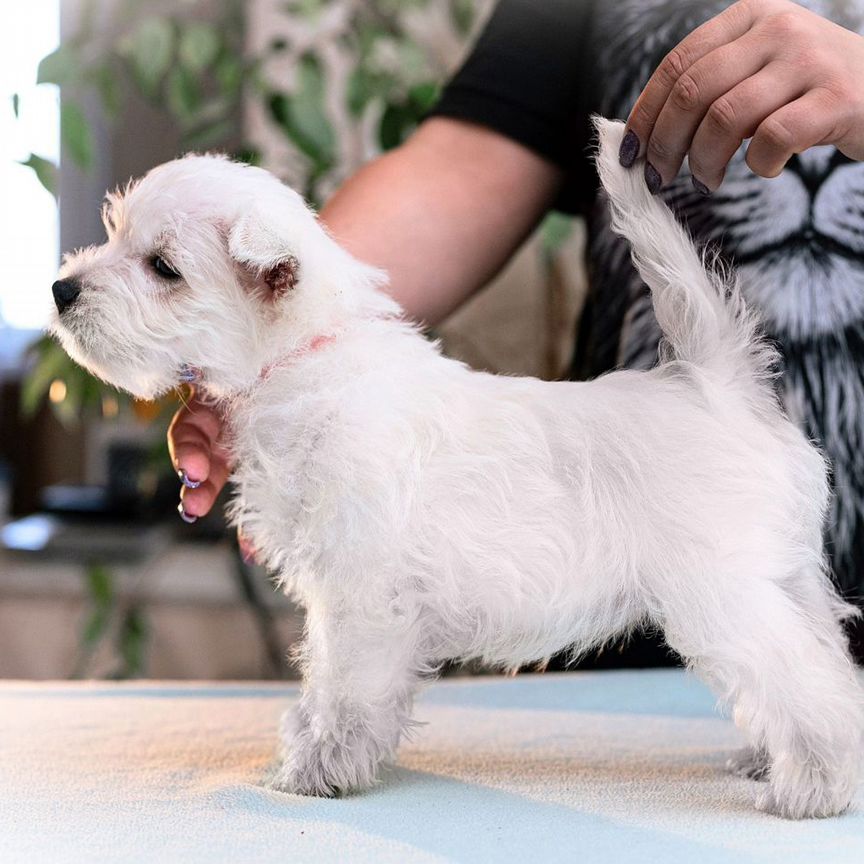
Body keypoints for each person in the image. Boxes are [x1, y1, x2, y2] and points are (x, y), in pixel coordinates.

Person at [168, 0, 864, 663]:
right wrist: (272, 329)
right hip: (627, 662)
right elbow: (460, 173)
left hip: (680, 470)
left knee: (755, 623)